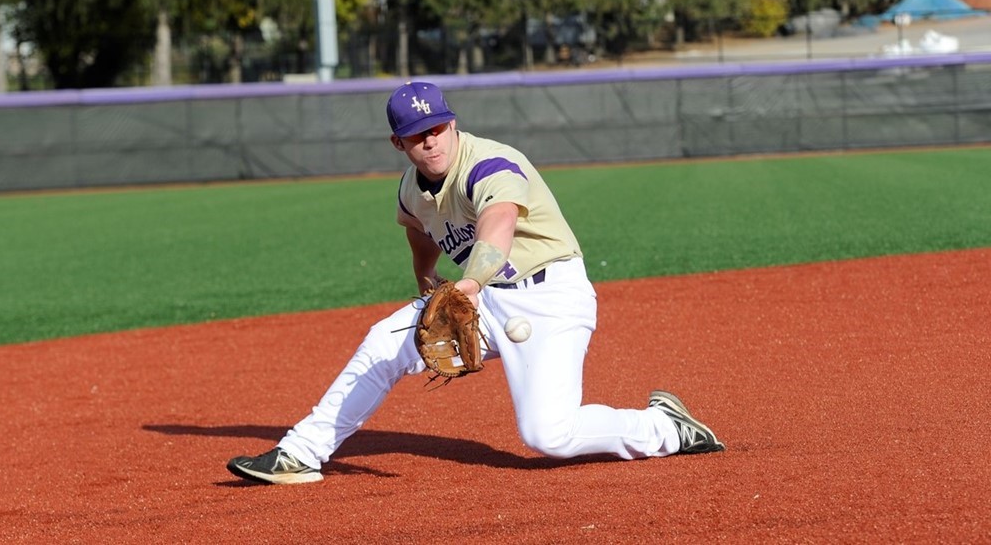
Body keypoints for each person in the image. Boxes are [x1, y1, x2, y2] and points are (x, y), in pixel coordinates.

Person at [226, 81, 725, 485]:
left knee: (549, 435)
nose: (431, 141)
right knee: (383, 342)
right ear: (398, 143)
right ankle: (300, 452)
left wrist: (470, 283)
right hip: (485, 296)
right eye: (418, 134)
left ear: (453, 123)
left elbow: (498, 223)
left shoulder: (490, 163)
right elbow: (418, 228)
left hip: (549, 295)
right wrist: (426, 278)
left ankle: (665, 427)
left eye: (437, 127)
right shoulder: (410, 188)